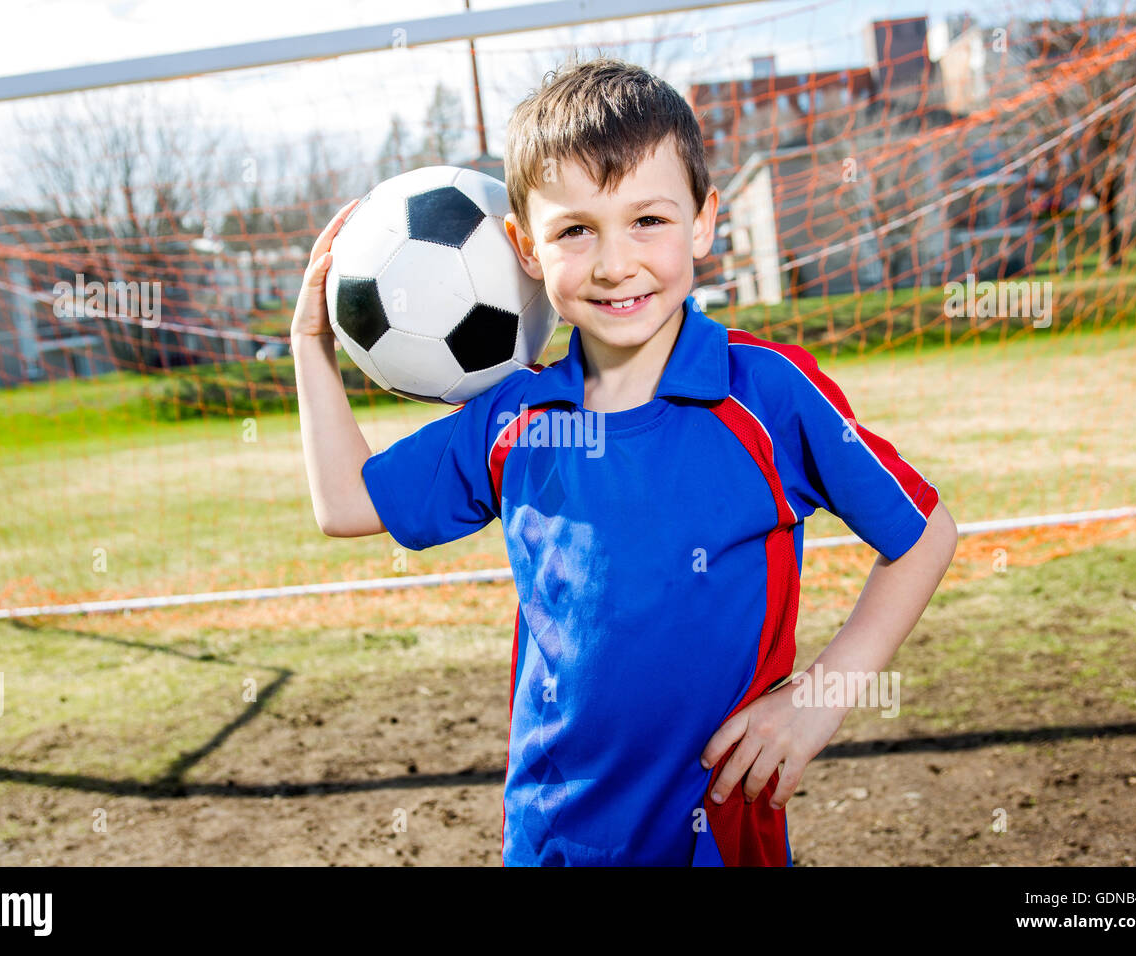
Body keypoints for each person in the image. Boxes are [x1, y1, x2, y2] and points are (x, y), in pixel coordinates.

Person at [292, 55, 958, 866]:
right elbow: (345, 505)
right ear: (524, 248)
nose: (615, 263)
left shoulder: (765, 395)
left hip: (718, 829)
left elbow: (922, 534)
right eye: (576, 230)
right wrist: (309, 346)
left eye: (648, 220)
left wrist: (820, 698)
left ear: (705, 220)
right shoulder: (512, 417)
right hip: (554, 837)